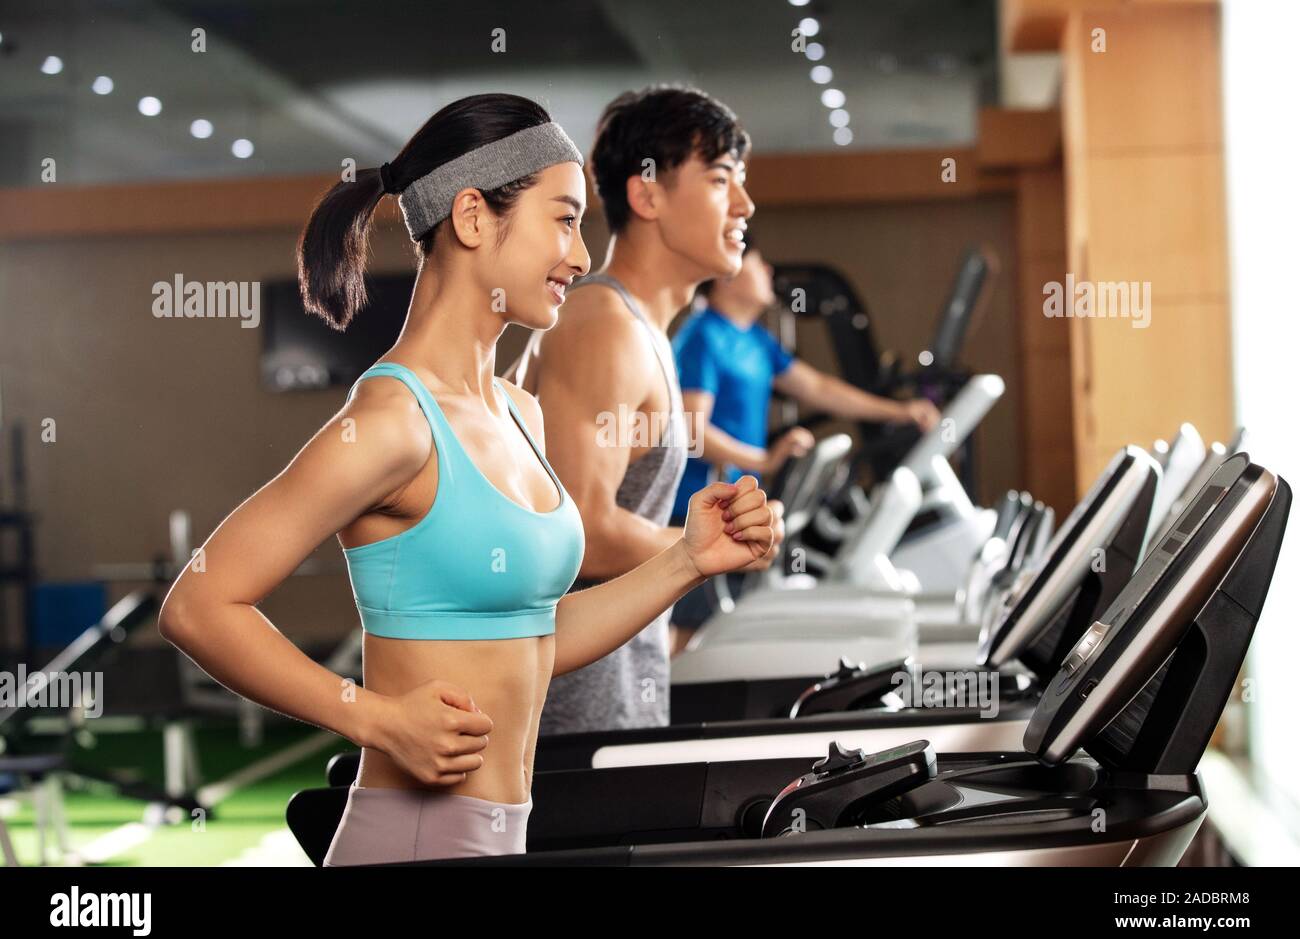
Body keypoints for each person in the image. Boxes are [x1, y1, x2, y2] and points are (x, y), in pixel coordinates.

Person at [156, 93, 774, 865]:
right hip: (414, 840)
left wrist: (689, 559)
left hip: (501, 833)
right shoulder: (391, 421)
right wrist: (375, 718)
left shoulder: (518, 410)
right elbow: (200, 605)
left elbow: (536, 638)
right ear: (475, 218)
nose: (580, 257)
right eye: (563, 219)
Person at [512, 85, 783, 735]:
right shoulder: (604, 324)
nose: (744, 204)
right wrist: (710, 546)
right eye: (721, 180)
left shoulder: (643, 331)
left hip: (611, 698)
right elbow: (578, 534)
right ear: (647, 193)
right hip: (566, 726)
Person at [667, 239, 941, 646]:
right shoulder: (702, 339)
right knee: (692, 636)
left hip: (735, 509)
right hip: (694, 512)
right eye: (760, 264)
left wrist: (899, 412)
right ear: (727, 275)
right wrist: (763, 461)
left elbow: (819, 387)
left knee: (718, 631)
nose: (771, 274)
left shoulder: (754, 340)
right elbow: (691, 431)